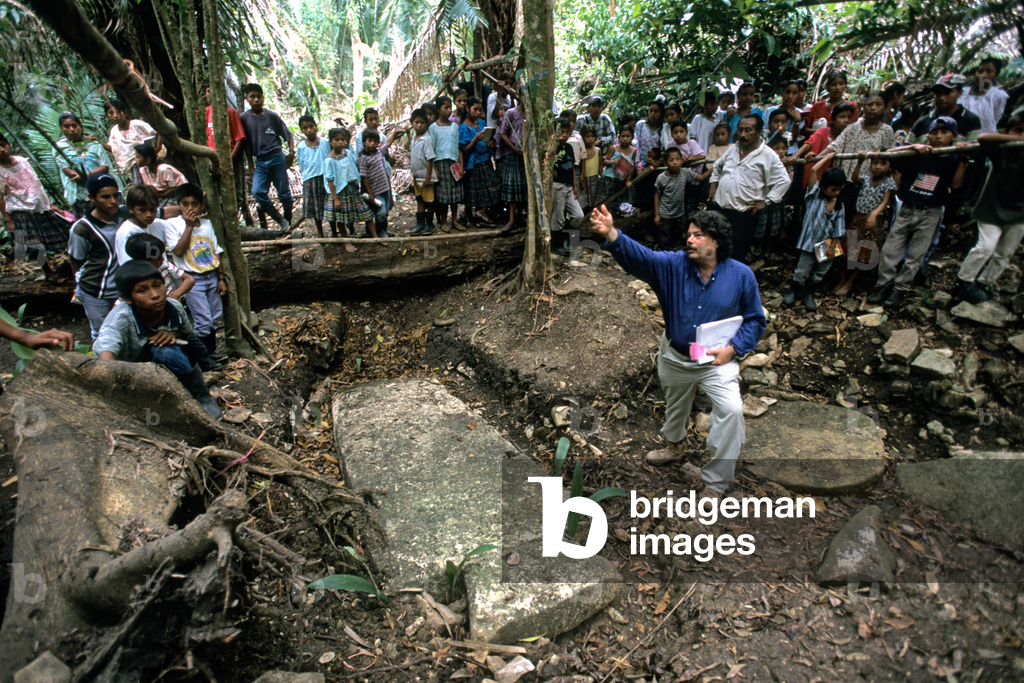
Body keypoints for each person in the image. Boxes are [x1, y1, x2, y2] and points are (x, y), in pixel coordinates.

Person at [594, 206, 766, 501]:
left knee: (732, 411)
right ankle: (675, 446)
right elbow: (643, 256)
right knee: (676, 406)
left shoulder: (741, 276)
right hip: (675, 355)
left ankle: (716, 481)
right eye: (689, 234)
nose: (690, 240)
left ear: (717, 242)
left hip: (716, 360)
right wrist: (612, 233)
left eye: (698, 235)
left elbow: (755, 319)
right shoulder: (673, 266)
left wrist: (735, 349)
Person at [93, 260, 221, 418]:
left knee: (168, 352)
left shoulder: (174, 307)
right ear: (127, 298)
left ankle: (201, 395)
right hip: (130, 369)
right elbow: (106, 349)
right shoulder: (120, 320)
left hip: (161, 358)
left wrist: (174, 334)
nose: (154, 295)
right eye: (142, 291)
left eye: (157, 285)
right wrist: (114, 379)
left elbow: (188, 336)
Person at [867, 117, 969, 307]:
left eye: (944, 133)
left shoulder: (954, 158)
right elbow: (888, 154)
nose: (938, 137)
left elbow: (956, 185)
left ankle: (900, 289)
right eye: (934, 133)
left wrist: (963, 159)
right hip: (908, 208)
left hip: (930, 212)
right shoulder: (918, 155)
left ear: (954, 136)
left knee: (915, 255)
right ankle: (884, 285)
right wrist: (913, 148)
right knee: (891, 249)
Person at [952, 108, 1024, 303]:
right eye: (1018, 130)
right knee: (985, 246)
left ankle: (985, 281)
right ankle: (963, 280)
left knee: (1005, 253)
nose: (1021, 137)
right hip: (991, 207)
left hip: (1019, 213)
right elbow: (984, 138)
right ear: (1007, 132)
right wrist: (1012, 139)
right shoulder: (1001, 152)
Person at [708, 114, 791, 264]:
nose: (743, 134)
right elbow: (717, 165)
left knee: (736, 253)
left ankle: (732, 284)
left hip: (744, 214)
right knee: (713, 249)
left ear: (759, 132)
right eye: (740, 130)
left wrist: (766, 201)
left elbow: (784, 181)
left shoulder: (768, 155)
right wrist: (713, 185)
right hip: (720, 209)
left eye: (748, 130)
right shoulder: (733, 149)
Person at [163, 183, 227, 359]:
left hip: (212, 276)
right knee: (203, 320)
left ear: (202, 205)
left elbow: (216, 252)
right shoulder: (172, 224)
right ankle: (203, 358)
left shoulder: (207, 224)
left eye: (194, 204)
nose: (190, 208)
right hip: (192, 280)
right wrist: (189, 226)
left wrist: (221, 278)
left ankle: (212, 353)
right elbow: (177, 251)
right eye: (185, 204)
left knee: (214, 317)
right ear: (178, 205)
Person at [0, 133, 72, 283]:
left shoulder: (21, 161)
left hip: (39, 206)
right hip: (20, 211)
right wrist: (7, 219)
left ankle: (72, 266)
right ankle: (49, 273)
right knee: (34, 245)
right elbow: (0, 196)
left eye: (3, 145)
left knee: (66, 231)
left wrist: (50, 204)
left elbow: (36, 182)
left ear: (8, 144)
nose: (1, 150)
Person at [782, 156, 846, 311]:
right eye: (833, 189)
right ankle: (794, 289)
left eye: (839, 189)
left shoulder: (839, 205)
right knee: (802, 269)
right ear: (823, 187)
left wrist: (833, 247)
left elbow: (839, 228)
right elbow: (813, 170)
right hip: (809, 242)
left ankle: (808, 292)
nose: (836, 192)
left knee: (820, 271)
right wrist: (829, 156)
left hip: (827, 244)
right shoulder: (814, 196)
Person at [68, 174, 126, 340]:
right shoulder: (81, 229)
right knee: (103, 334)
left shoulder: (124, 213)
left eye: (116, 195)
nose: (113, 201)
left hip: (123, 288)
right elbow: (76, 261)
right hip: (95, 290)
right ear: (91, 198)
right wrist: (79, 284)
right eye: (105, 197)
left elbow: (158, 212)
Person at [833, 150, 896, 296]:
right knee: (849, 249)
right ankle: (842, 279)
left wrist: (874, 214)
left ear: (890, 168)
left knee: (864, 253)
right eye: (875, 163)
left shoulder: (889, 183)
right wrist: (860, 162)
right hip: (858, 219)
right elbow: (855, 178)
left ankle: (850, 282)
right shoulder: (866, 179)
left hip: (874, 222)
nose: (878, 167)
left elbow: (885, 201)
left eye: (882, 163)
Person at [825, 90, 895, 222]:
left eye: (878, 104)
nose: (873, 108)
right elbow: (834, 147)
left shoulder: (886, 131)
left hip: (869, 186)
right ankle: (838, 242)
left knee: (858, 221)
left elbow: (889, 158)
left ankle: (853, 243)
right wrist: (815, 156)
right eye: (869, 104)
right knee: (840, 219)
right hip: (846, 183)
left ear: (885, 108)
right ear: (864, 106)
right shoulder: (852, 128)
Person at [240, 83, 295, 230]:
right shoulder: (244, 118)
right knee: (257, 192)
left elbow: (288, 135)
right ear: (247, 99)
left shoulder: (272, 116)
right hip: (260, 161)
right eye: (252, 96)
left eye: (259, 96)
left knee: (285, 195)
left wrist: (291, 152)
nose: (256, 99)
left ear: (263, 98)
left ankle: (288, 224)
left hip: (277, 157)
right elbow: (245, 144)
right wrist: (251, 166)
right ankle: (281, 221)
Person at [204, 84, 254, 227]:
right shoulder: (205, 112)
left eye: (214, 89)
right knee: (214, 192)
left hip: (232, 159)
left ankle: (232, 224)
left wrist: (230, 157)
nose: (212, 93)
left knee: (235, 192)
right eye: (208, 91)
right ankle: (219, 224)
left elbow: (240, 138)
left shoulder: (230, 112)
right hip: (211, 160)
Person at [55, 112, 119, 218]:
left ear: (80, 126)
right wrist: (76, 176)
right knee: (87, 225)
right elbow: (65, 168)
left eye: (74, 125)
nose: (71, 129)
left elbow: (104, 166)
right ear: (61, 129)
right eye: (66, 126)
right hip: (78, 193)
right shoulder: (59, 146)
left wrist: (86, 176)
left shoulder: (93, 144)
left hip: (101, 191)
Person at [323, 127, 368, 249]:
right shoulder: (329, 160)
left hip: (352, 188)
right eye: (337, 140)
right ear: (331, 142)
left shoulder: (347, 153)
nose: (341, 142)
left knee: (364, 213)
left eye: (342, 139)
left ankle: (373, 236)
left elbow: (355, 164)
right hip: (339, 192)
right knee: (341, 218)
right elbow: (330, 180)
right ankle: (346, 241)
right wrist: (335, 198)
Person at [794, 102, 855, 190]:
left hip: (833, 179)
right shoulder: (823, 131)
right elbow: (808, 143)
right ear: (833, 120)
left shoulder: (849, 138)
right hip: (815, 171)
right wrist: (796, 156)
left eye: (849, 117)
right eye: (842, 117)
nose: (846, 120)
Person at [460, 96, 500, 227]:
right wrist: (475, 139)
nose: (477, 112)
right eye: (475, 109)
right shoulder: (464, 127)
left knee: (493, 187)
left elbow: (488, 139)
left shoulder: (482, 123)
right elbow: (465, 149)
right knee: (480, 191)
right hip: (475, 163)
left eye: (480, 110)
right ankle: (481, 215)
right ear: (467, 108)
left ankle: (482, 214)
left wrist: (491, 140)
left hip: (486, 159)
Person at [909, 74, 982, 145]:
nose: (942, 98)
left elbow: (973, 153)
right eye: (938, 93)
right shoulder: (921, 123)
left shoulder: (971, 120)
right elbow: (905, 151)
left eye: (947, 92)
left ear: (960, 93)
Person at [124, 232, 194, 301]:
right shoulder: (133, 278)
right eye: (158, 257)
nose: (163, 259)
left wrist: (173, 297)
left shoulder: (164, 264)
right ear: (145, 261)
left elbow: (189, 279)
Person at [429, 95, 464, 233]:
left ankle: (454, 220)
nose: (449, 110)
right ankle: (444, 221)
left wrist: (461, 165)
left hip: (454, 163)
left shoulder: (455, 126)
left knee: (454, 194)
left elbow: (459, 146)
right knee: (443, 195)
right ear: (438, 109)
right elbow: (430, 150)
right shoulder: (433, 128)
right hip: (440, 163)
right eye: (446, 108)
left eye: (450, 107)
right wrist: (434, 169)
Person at [550, 118, 583, 257]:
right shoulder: (552, 148)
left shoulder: (569, 147)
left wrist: (575, 186)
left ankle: (565, 236)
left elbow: (572, 168)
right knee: (558, 217)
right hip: (558, 187)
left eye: (566, 132)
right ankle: (555, 245)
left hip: (569, 186)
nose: (563, 135)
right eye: (561, 132)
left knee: (578, 215)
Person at [105, 99, 160, 185]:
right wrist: (98, 142)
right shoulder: (114, 131)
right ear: (107, 115)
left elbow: (158, 132)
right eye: (111, 113)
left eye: (118, 112)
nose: (115, 116)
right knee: (141, 188)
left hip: (146, 161)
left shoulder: (136, 124)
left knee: (153, 184)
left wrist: (157, 148)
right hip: (133, 165)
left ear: (125, 113)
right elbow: (113, 148)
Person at [115, 184, 171, 266]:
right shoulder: (126, 233)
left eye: (152, 209)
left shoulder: (158, 224)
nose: (149, 214)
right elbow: (128, 265)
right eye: (142, 210)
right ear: (130, 209)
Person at [294, 114, 331, 238]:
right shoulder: (301, 146)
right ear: (302, 130)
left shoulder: (325, 142)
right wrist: (306, 177)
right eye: (305, 128)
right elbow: (302, 164)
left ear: (316, 126)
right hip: (310, 178)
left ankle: (334, 231)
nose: (309, 130)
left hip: (326, 177)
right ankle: (320, 233)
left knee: (330, 205)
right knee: (316, 208)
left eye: (311, 126)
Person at [654, 148, 698, 248]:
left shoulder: (684, 173)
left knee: (683, 232)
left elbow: (701, 177)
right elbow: (657, 196)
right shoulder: (661, 178)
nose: (675, 163)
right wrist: (657, 215)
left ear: (681, 160)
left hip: (679, 212)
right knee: (664, 235)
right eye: (671, 160)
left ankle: (679, 249)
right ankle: (664, 253)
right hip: (665, 213)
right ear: (665, 163)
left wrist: (714, 167)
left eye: (678, 159)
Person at [357, 130, 391, 239]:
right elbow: (364, 177)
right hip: (376, 192)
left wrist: (395, 134)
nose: (372, 143)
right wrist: (370, 193)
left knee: (385, 212)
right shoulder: (363, 159)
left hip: (385, 189)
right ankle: (379, 230)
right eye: (369, 141)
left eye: (375, 141)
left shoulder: (379, 152)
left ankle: (384, 229)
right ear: (364, 142)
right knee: (381, 213)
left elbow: (387, 144)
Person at [961, 57, 1009, 134]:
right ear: (975, 73)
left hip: (985, 142)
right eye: (980, 71)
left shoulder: (998, 95)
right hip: (959, 140)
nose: (983, 75)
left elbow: (996, 117)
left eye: (989, 72)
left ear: (996, 75)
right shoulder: (961, 92)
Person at [409, 109, 438, 236]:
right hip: (416, 174)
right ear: (412, 123)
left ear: (426, 124)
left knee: (429, 201)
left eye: (422, 122)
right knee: (419, 199)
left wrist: (427, 177)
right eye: (416, 122)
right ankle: (420, 224)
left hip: (425, 174)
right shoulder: (414, 138)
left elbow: (430, 159)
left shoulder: (427, 139)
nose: (419, 125)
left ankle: (429, 224)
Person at [497, 105, 526, 234]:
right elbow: (503, 134)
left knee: (524, 188)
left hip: (526, 156)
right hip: (512, 154)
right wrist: (514, 149)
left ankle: (520, 216)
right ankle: (511, 220)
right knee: (513, 189)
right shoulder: (511, 113)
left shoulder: (532, 113)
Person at [804, 70, 858, 138]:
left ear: (845, 86)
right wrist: (822, 132)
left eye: (841, 84)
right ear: (827, 88)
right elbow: (804, 129)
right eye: (833, 84)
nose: (837, 88)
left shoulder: (851, 107)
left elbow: (855, 131)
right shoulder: (817, 106)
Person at [135, 144, 186, 208]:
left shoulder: (163, 169)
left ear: (148, 159)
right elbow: (150, 187)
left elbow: (173, 188)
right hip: (162, 195)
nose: (135, 159)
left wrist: (161, 195)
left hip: (178, 194)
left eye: (138, 157)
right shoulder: (143, 170)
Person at [601, 125, 638, 214]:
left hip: (620, 179)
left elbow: (631, 166)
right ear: (619, 137)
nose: (625, 139)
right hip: (608, 178)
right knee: (604, 201)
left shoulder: (633, 150)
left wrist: (628, 180)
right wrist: (613, 162)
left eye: (628, 136)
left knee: (615, 203)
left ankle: (613, 221)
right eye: (623, 136)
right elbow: (604, 162)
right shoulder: (614, 148)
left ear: (632, 137)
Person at [578, 124, 604, 211]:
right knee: (584, 201)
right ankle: (585, 218)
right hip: (584, 179)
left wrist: (602, 176)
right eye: (587, 136)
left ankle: (592, 218)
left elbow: (600, 165)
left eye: (592, 136)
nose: (590, 139)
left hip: (594, 179)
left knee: (593, 201)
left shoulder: (598, 150)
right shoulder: (581, 150)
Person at [690, 90, 721, 161]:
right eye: (712, 104)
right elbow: (692, 140)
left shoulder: (719, 117)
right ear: (705, 104)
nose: (715, 106)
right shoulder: (698, 119)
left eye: (716, 103)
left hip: (715, 156)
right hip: (701, 156)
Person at [633, 100, 666, 165]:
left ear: (661, 113)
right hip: (640, 163)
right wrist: (637, 163)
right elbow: (636, 144)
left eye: (656, 111)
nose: (652, 114)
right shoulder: (641, 125)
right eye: (650, 111)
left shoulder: (664, 128)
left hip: (656, 164)